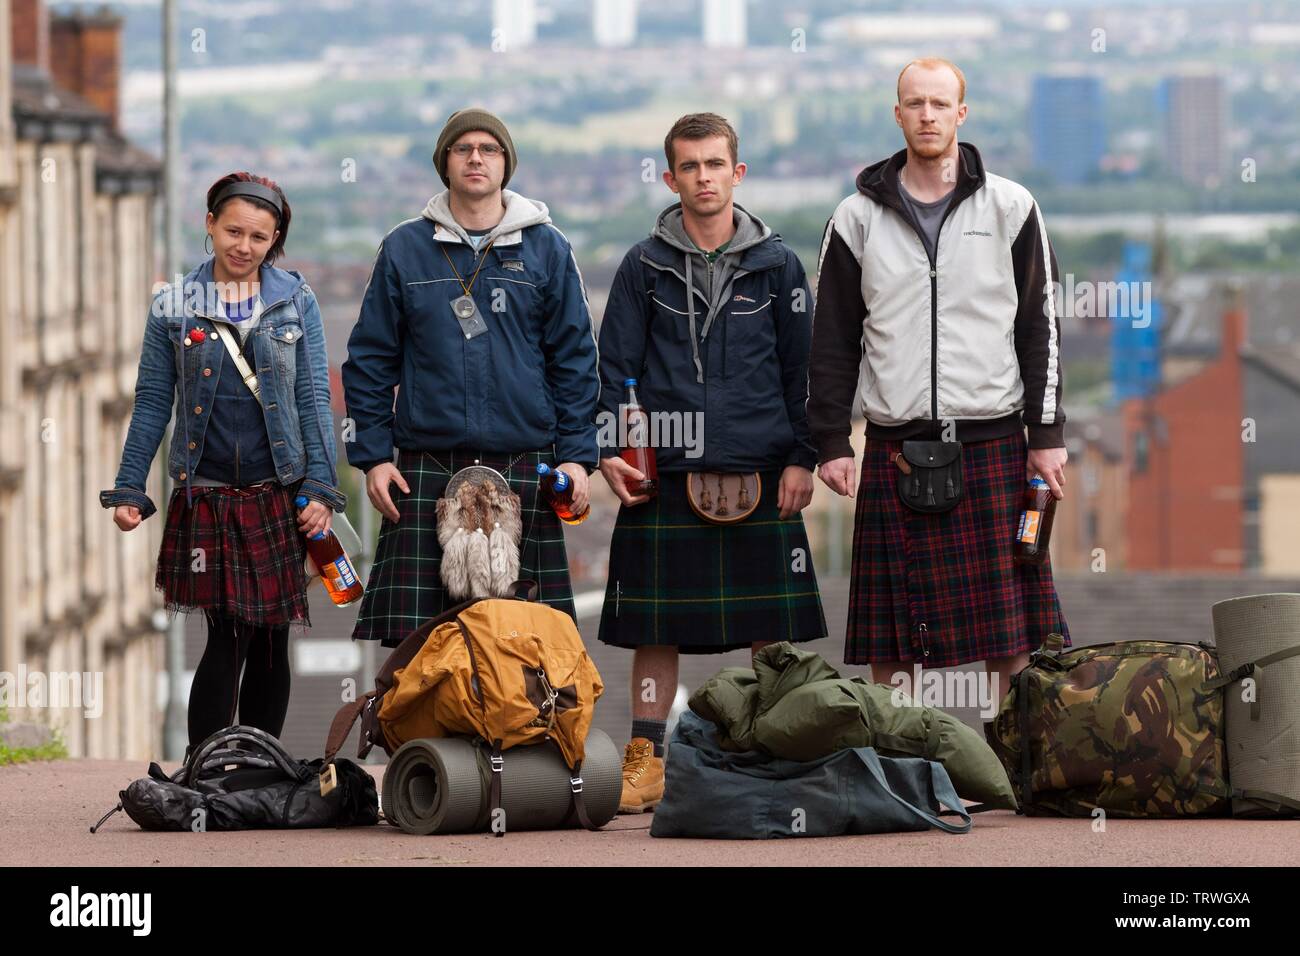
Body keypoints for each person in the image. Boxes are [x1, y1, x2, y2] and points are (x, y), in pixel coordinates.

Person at [809, 58, 1071, 700]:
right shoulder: (855, 218)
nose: (927, 114)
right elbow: (832, 340)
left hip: (994, 439)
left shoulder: (1012, 207)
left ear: (962, 112)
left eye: (939, 103)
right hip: (896, 445)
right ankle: (906, 774)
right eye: (914, 103)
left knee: (1009, 637)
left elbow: (1041, 326)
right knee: (894, 641)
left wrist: (1047, 433)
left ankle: (1013, 767)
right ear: (897, 114)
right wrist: (832, 440)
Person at [597, 113, 827, 814]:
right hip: (665, 473)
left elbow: (805, 374)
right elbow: (614, 370)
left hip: (760, 470)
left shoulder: (779, 266)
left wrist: (803, 458)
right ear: (670, 178)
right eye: (689, 166)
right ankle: (647, 759)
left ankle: (770, 751)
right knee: (653, 628)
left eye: (715, 164)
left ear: (738, 172)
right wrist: (611, 450)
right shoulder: (644, 265)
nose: (704, 177)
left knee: (768, 633)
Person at [101, 172, 346, 752]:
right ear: (208, 225)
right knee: (227, 635)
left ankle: (259, 764)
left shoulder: (296, 299)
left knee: (270, 637)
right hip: (206, 491)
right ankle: (204, 769)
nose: (244, 245)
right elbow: (154, 400)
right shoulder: (174, 305)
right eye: (233, 230)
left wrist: (322, 489)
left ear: (275, 239)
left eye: (259, 237)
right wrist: (129, 487)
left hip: (279, 491)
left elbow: (312, 397)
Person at [343, 108, 599, 646]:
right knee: (417, 653)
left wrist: (577, 456)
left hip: (526, 466)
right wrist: (372, 457)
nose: (476, 158)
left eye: (489, 148)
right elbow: (369, 360)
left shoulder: (547, 248)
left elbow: (575, 360)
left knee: (529, 646)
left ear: (506, 163)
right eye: (463, 149)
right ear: (446, 163)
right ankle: (416, 736)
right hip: (424, 471)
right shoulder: (405, 249)